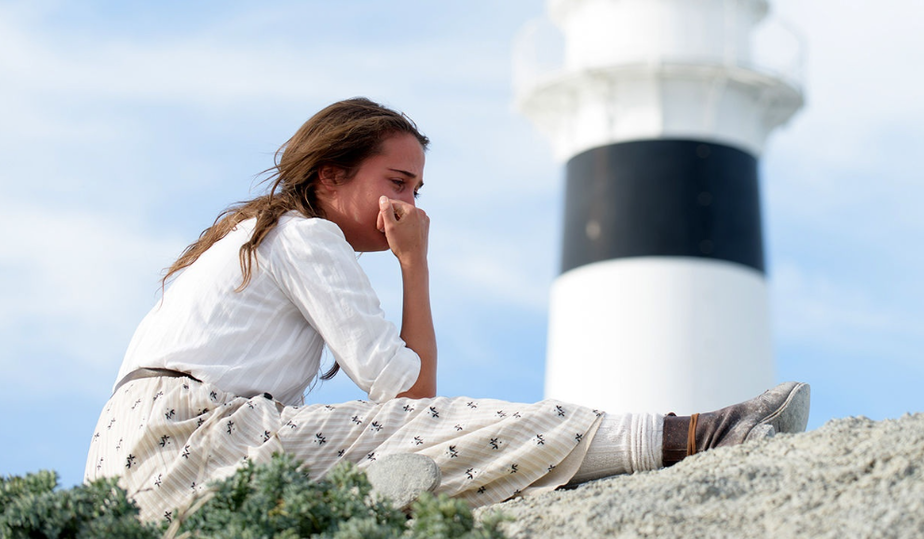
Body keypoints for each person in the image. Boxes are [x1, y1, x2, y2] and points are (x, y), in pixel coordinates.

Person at [84, 98, 809, 524]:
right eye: (397, 181)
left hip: (131, 461)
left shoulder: (254, 234)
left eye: (419, 190)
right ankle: (694, 432)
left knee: (393, 443)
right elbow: (409, 392)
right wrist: (414, 264)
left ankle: (389, 485)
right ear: (332, 173)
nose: (408, 205)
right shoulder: (306, 236)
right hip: (191, 441)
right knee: (432, 426)